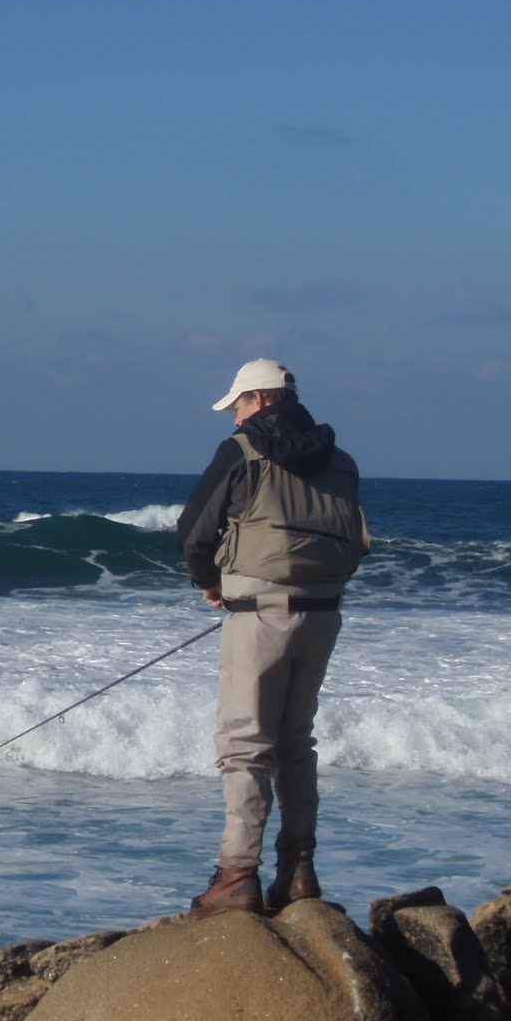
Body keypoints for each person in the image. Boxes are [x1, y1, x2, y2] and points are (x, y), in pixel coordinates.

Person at [176, 359, 370, 916]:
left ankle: (237, 874)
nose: (235, 418)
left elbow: (193, 531)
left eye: (238, 405)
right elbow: (355, 540)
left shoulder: (240, 453)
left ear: (259, 400)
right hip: (323, 612)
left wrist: (210, 582)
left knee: (245, 745)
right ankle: (299, 869)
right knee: (294, 742)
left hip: (259, 612)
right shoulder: (342, 461)